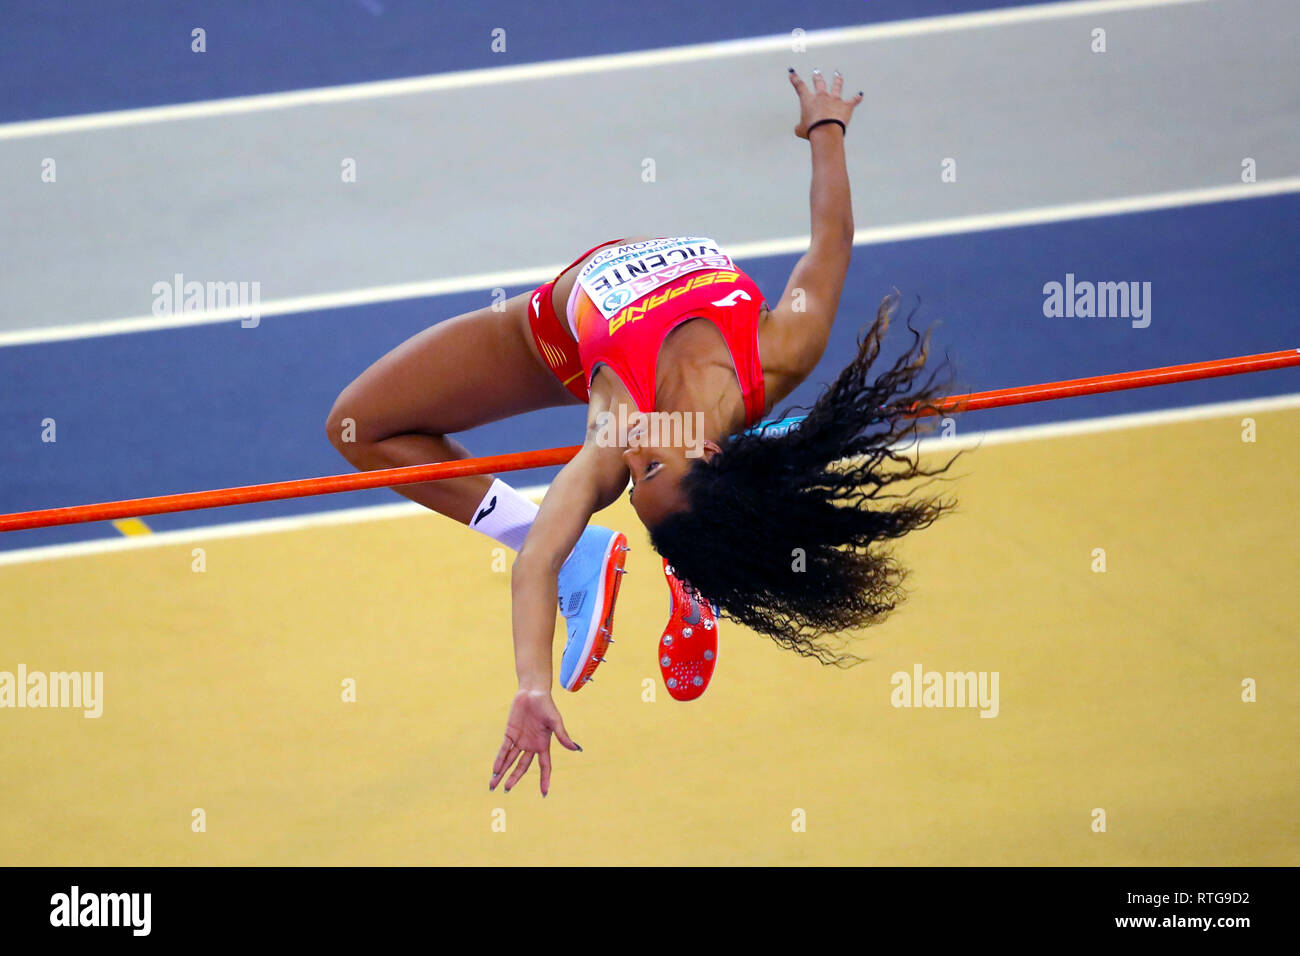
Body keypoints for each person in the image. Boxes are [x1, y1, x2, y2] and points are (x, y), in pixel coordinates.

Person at [326, 68, 954, 796]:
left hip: (547, 339)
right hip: (620, 353)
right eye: (651, 472)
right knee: (359, 425)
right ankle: (644, 557)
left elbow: (531, 566)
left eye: (634, 480)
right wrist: (826, 127)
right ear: (712, 451)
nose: (633, 459)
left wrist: (532, 684)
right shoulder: (783, 349)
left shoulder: (616, 429)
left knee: (356, 426)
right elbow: (832, 238)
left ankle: (597, 558)